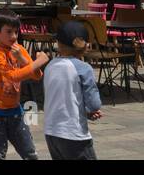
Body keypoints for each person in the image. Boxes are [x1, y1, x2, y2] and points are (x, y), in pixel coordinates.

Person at [0, 8, 49, 160]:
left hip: (14, 109)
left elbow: (37, 76)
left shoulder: (18, 49)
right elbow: (13, 76)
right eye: (8, 31)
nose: (13, 36)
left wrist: (24, 60)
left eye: (16, 32)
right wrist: (38, 62)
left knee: (29, 152)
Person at [42, 20, 104, 160]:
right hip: (73, 134)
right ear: (85, 45)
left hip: (52, 132)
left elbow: (62, 98)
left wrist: (85, 112)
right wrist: (91, 110)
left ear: (59, 43)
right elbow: (94, 104)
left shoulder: (50, 65)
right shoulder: (83, 68)